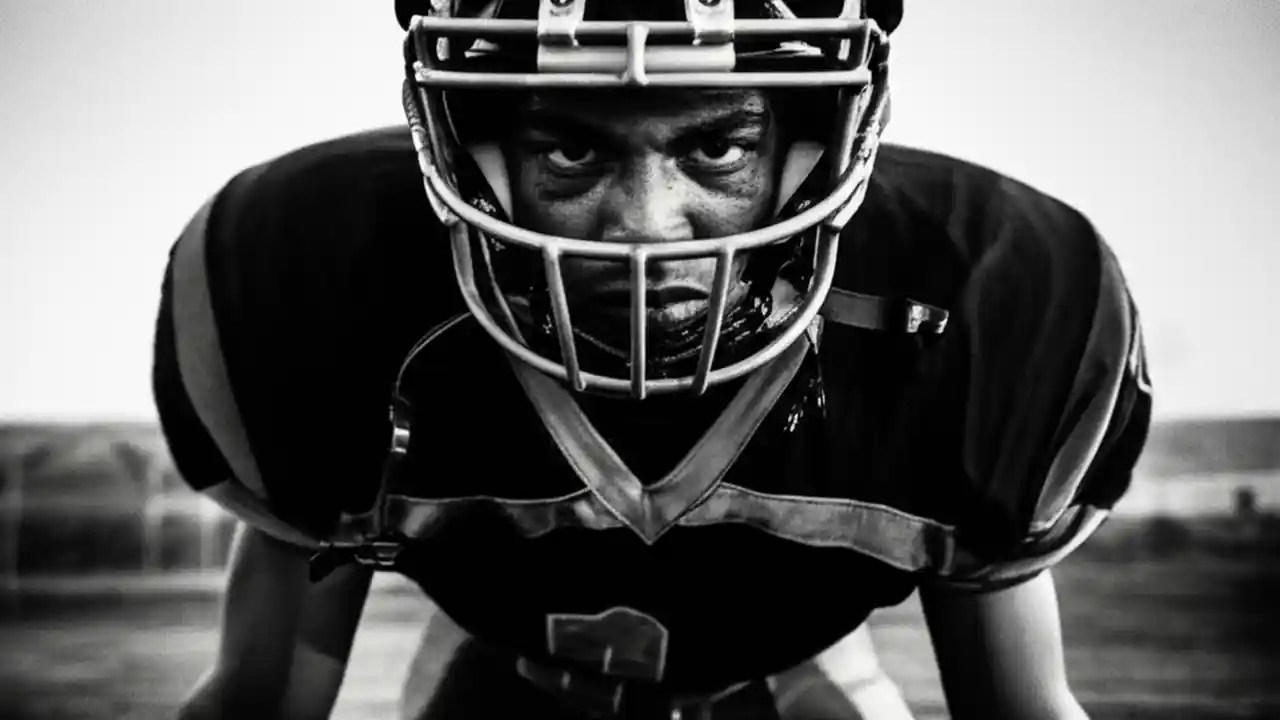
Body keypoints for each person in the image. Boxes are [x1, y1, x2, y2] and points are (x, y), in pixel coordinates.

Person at [151, 1, 1153, 718]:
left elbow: (1022, 705)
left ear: (811, 148)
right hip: (501, 675)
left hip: (793, 680)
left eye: (716, 147)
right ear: (473, 149)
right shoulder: (325, 287)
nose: (646, 227)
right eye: (571, 150)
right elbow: (258, 698)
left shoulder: (975, 309)